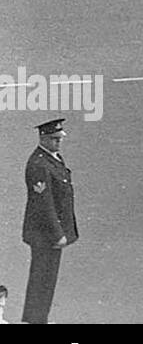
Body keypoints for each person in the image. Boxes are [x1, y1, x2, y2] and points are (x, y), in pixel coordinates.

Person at [22, 117, 78, 324]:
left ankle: (39, 319)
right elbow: (43, 204)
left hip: (49, 234)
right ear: (43, 138)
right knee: (41, 279)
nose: (59, 142)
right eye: (55, 139)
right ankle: (35, 320)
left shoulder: (53, 158)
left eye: (60, 138)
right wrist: (58, 234)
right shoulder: (38, 164)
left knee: (46, 279)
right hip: (44, 234)